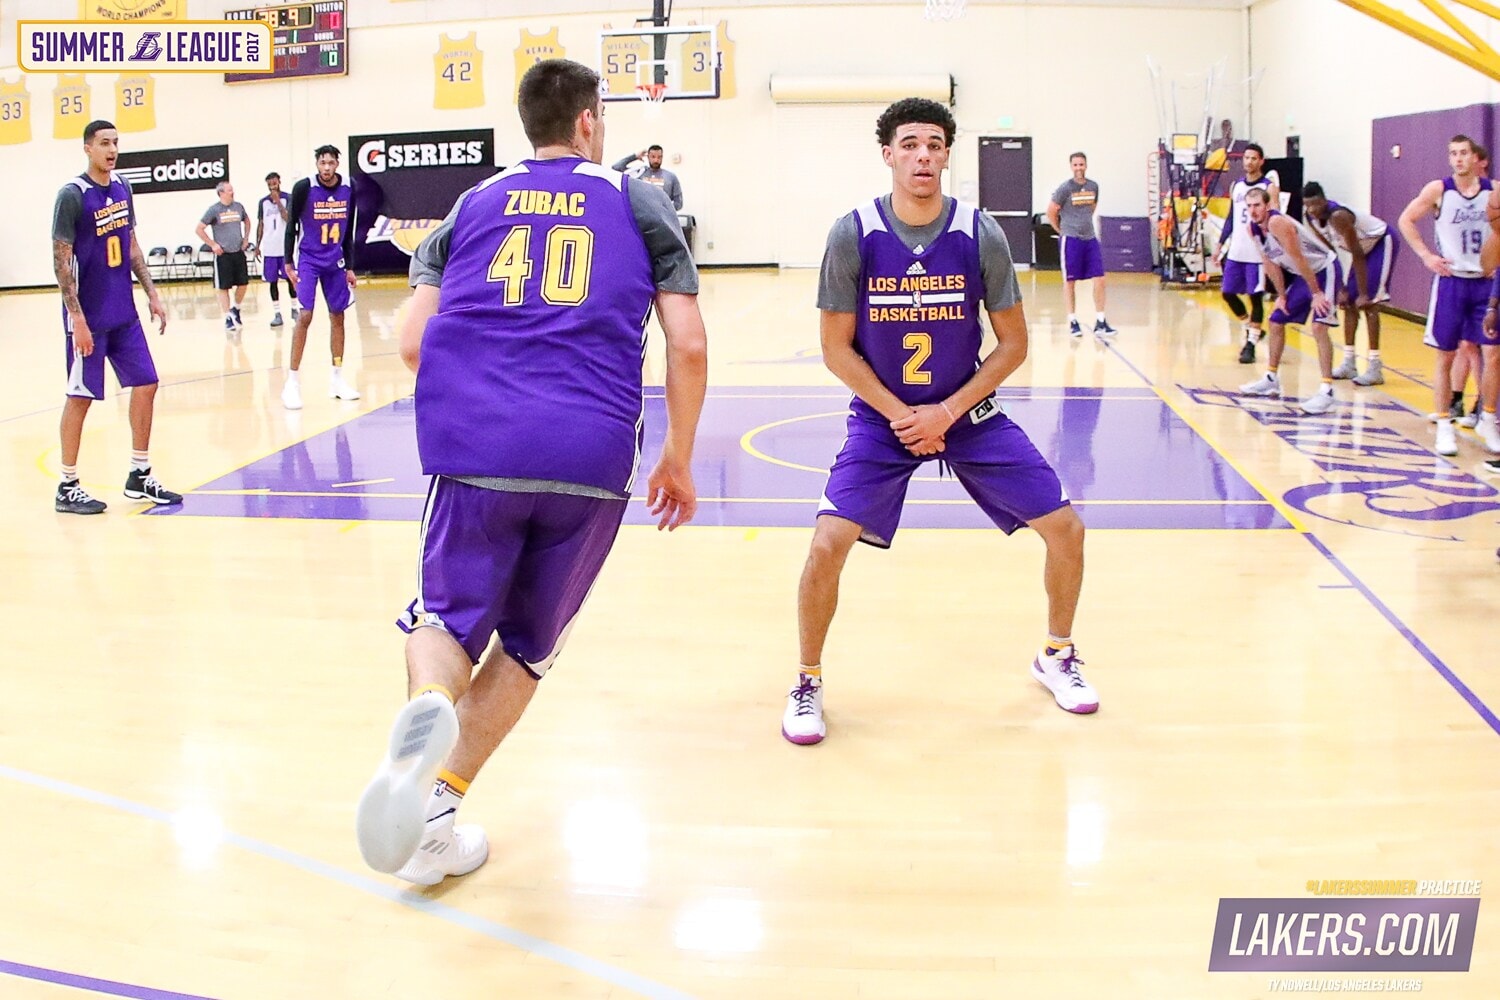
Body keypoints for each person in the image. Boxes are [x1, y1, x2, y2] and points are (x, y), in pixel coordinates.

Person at [355, 58, 708, 885]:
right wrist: (678, 459)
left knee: (444, 621)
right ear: (588, 122)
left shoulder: (472, 204)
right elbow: (687, 344)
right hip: (589, 456)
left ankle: (430, 710)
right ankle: (434, 817)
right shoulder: (636, 197)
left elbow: (412, 343)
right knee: (528, 648)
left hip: (477, 448)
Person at [781, 97, 1097, 748]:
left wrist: (947, 411)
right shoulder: (854, 232)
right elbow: (835, 347)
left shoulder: (980, 233)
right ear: (889, 154)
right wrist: (904, 416)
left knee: (1066, 528)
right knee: (824, 546)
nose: (923, 154)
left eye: (934, 144)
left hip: (968, 413)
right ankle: (807, 679)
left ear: (948, 154)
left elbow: (1013, 344)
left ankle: (1057, 653)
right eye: (910, 144)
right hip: (884, 420)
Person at [51, 119, 181, 514]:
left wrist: (153, 293)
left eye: (116, 143)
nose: (111, 149)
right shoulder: (72, 195)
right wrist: (77, 319)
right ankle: (67, 484)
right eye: (104, 143)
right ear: (87, 148)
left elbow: (132, 245)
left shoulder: (123, 186)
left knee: (147, 383)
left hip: (122, 311)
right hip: (89, 316)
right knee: (81, 397)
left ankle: (139, 473)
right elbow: (60, 262)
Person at [1398, 134, 1499, 456]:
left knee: (1493, 354)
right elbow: (1406, 220)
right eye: (1453, 153)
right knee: (1446, 355)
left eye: (1464, 153)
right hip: (1451, 282)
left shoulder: (1494, 192)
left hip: (1485, 282)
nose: (1458, 159)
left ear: (1475, 158)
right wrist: (1426, 256)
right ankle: (1444, 424)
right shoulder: (1438, 190)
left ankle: (1488, 418)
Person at [1236, 187, 1342, 414]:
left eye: (1257, 206)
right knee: (1276, 320)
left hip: (1323, 270)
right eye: (1249, 206)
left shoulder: (1278, 223)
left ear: (1267, 206)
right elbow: (1270, 263)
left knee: (1319, 327)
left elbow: (1299, 258)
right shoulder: (1253, 229)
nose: (1253, 211)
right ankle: (1271, 377)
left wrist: (1316, 293)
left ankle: (1327, 391)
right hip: (1304, 275)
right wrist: (1281, 296)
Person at [282, 144, 359, 409]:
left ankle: (337, 378)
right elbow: (291, 226)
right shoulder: (304, 187)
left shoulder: (350, 187)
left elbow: (349, 229)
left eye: (331, 163)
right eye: (322, 163)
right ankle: (291, 382)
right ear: (317, 164)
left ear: (337, 164)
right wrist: (288, 263)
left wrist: (349, 266)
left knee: (338, 316)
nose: (326, 168)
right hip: (309, 260)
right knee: (305, 315)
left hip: (335, 261)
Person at [1302, 182, 1396, 386]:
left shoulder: (1338, 216)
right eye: (1308, 206)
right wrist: (1342, 288)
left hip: (1379, 242)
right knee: (1348, 303)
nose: (1312, 210)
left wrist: (1363, 293)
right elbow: (1331, 253)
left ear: (1324, 201)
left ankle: (1374, 366)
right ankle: (1349, 362)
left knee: (1368, 303)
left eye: (1315, 205)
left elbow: (1357, 253)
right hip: (1361, 251)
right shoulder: (1310, 219)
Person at [1216, 143, 1280, 363]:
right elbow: (1231, 216)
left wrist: (1273, 249)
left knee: (1255, 298)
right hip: (1237, 249)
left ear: (1261, 161)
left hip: (1257, 252)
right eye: (1246, 158)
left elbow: (1276, 218)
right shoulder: (1237, 186)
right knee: (1227, 293)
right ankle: (1251, 328)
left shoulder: (1268, 187)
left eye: (1254, 158)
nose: (1249, 162)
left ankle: (1250, 345)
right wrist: (1220, 242)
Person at [1047, 152, 1118, 337]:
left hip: (1090, 238)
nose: (1079, 168)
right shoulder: (1065, 188)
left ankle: (1101, 321)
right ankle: (1072, 321)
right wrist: (1061, 230)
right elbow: (1051, 211)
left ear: (1086, 165)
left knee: (1100, 279)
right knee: (1070, 281)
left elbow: (1092, 207)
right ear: (1071, 167)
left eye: (1081, 164)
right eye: (1076, 165)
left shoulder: (1093, 186)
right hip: (1071, 239)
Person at [195, 181, 251, 334]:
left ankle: (236, 309)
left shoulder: (239, 207)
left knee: (243, 284)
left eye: (232, 190)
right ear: (221, 193)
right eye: (229, 190)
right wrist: (213, 244)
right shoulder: (214, 210)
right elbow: (199, 229)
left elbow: (247, 221)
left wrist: (245, 239)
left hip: (238, 252)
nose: (232, 192)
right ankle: (227, 317)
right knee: (224, 287)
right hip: (223, 255)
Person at [254, 171, 294, 328]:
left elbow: (289, 219)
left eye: (274, 182)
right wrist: (257, 245)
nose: (272, 185)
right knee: (272, 282)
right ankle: (277, 313)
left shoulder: (288, 198)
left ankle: (294, 308)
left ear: (279, 181)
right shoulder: (262, 202)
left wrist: (278, 203)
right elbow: (261, 224)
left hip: (284, 247)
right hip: (270, 248)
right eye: (269, 183)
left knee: (291, 279)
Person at [610, 143, 683, 209]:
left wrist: (665, 210)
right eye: (653, 157)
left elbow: (678, 203)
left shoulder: (670, 177)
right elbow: (616, 168)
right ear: (648, 157)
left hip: (662, 220)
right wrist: (634, 156)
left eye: (659, 157)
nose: (656, 160)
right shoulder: (639, 172)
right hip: (641, 217)